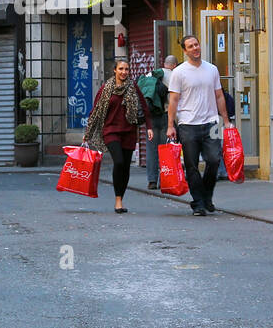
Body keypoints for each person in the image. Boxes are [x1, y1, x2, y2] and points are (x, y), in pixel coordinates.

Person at [166, 34, 230, 216]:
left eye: (196, 44)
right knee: (191, 165)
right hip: (188, 124)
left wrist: (226, 121)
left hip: (211, 123)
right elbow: (174, 100)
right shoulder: (179, 72)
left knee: (214, 160)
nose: (195, 48)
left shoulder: (212, 69)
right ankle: (199, 203)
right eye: (191, 46)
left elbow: (219, 96)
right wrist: (171, 125)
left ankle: (207, 194)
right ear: (185, 51)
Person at [84, 58, 152, 213]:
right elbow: (95, 111)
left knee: (126, 167)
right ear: (114, 70)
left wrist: (149, 127)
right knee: (119, 162)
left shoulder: (133, 87)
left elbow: (144, 106)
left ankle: (120, 199)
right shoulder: (106, 88)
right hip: (111, 131)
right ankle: (117, 199)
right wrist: (88, 132)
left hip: (129, 131)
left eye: (126, 69)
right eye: (121, 69)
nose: (124, 72)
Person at [142, 55, 177, 189]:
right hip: (166, 116)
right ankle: (165, 179)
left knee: (151, 149)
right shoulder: (175, 75)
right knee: (166, 149)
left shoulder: (151, 74)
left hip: (151, 116)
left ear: (164, 63)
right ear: (174, 65)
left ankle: (152, 180)